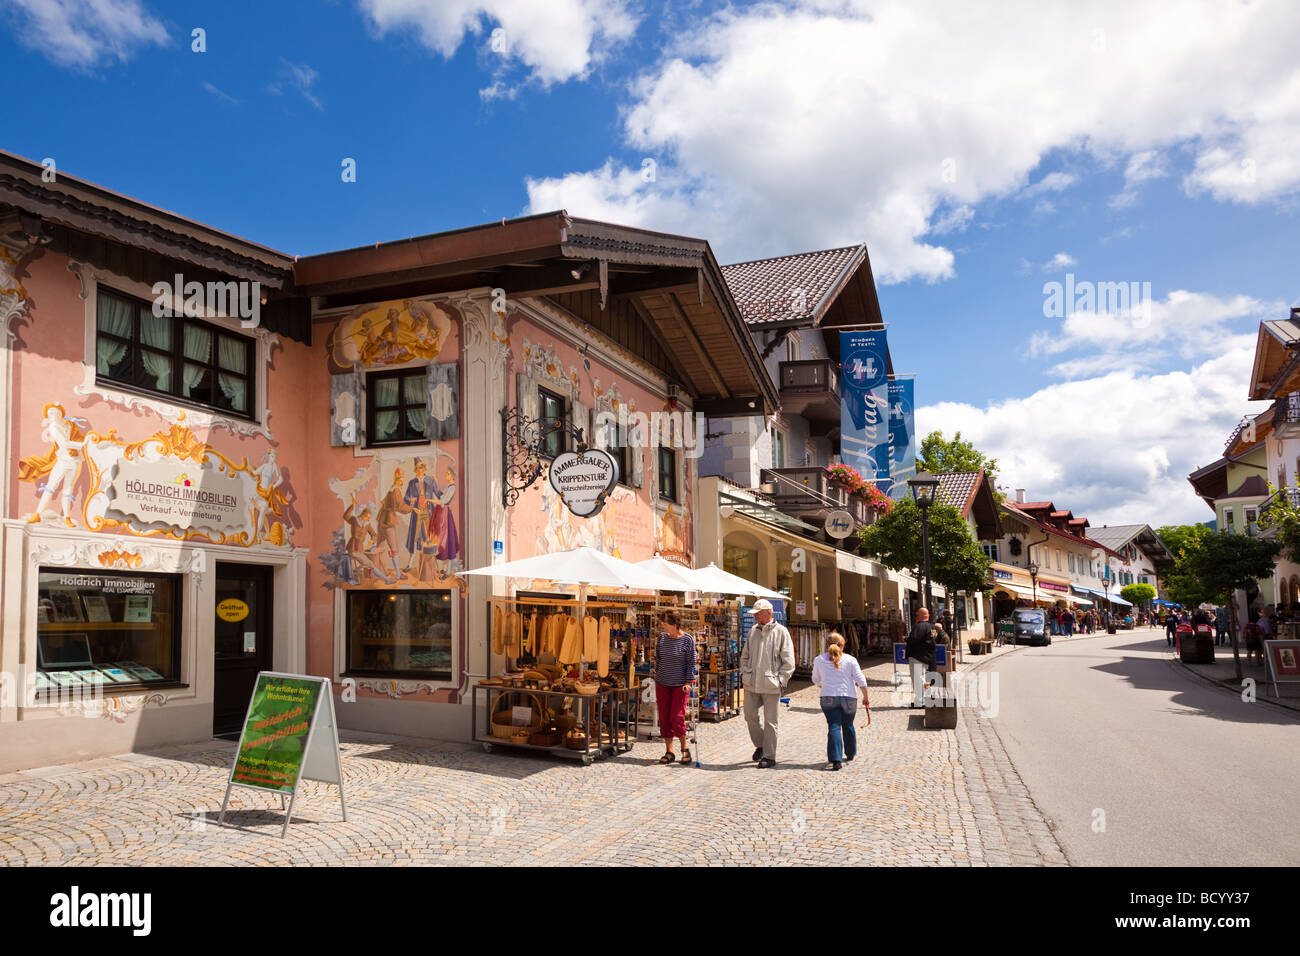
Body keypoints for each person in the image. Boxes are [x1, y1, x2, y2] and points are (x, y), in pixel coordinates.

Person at [739, 599, 795, 768]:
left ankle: (769, 756)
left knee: (771, 721)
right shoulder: (752, 632)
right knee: (749, 715)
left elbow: (789, 661)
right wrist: (745, 672)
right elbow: (745, 656)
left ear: (768, 613)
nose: (755, 615)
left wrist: (781, 680)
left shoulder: (781, 632)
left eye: (758, 613)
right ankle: (761, 745)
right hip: (751, 682)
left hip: (771, 684)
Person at [811, 632, 870, 771]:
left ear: (827, 645)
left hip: (828, 697)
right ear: (843, 645)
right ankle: (850, 753)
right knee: (848, 724)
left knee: (834, 726)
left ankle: (836, 759)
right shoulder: (850, 660)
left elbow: (815, 679)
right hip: (849, 696)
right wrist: (866, 697)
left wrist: (823, 684)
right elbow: (861, 680)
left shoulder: (819, 660)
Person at [653, 610, 697, 765]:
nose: (662, 625)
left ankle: (684, 748)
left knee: (676, 717)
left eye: (665, 622)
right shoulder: (662, 638)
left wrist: (688, 682)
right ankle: (669, 751)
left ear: (674, 623)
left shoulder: (687, 640)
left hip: (680, 685)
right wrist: (657, 672)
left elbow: (691, 663)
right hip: (662, 683)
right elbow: (658, 657)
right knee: (664, 718)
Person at [905, 607, 938, 709]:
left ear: (920, 616)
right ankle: (924, 699)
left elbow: (913, 639)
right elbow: (934, 640)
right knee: (923, 680)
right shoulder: (932, 627)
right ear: (927, 616)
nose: (915, 617)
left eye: (916, 615)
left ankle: (919, 702)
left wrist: (906, 638)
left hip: (917, 656)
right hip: (927, 657)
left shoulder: (919, 626)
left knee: (918, 680)